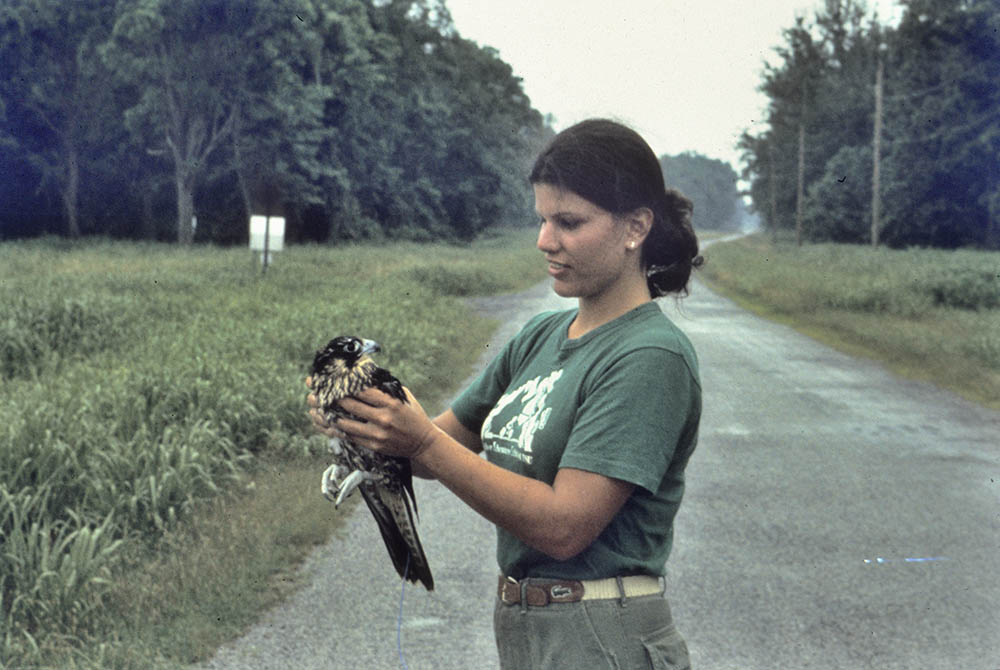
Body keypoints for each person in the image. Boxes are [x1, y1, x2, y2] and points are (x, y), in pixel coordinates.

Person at [308, 118, 702, 669]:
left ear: (636, 226)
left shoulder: (648, 356)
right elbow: (437, 445)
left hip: (601, 636)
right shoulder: (541, 336)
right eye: (542, 220)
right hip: (524, 629)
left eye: (569, 222)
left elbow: (564, 527)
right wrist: (365, 419)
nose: (545, 241)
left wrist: (420, 443)